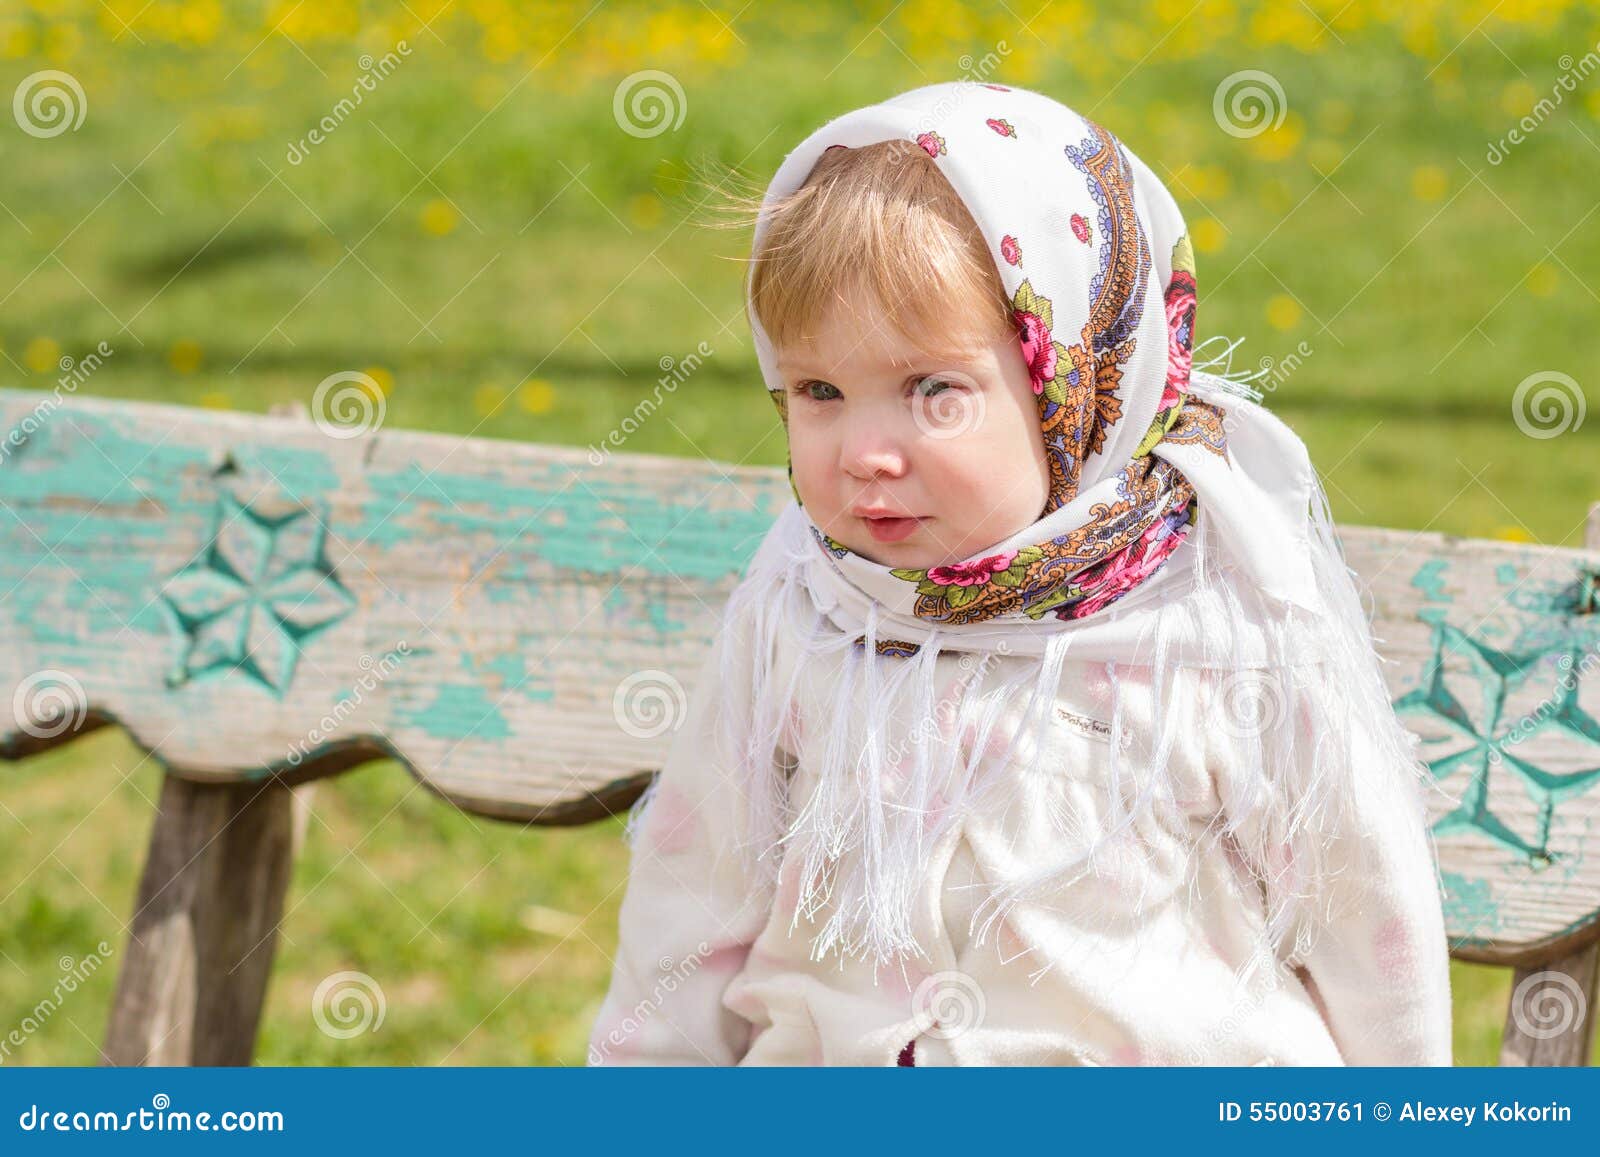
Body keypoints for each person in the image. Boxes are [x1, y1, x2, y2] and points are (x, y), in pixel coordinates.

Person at [587, 81, 1454, 1066]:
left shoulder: (1222, 618)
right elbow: (693, 898)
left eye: (931, 389)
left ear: (1070, 384)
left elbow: (1363, 918)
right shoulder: (804, 601)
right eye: (818, 390)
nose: (864, 450)